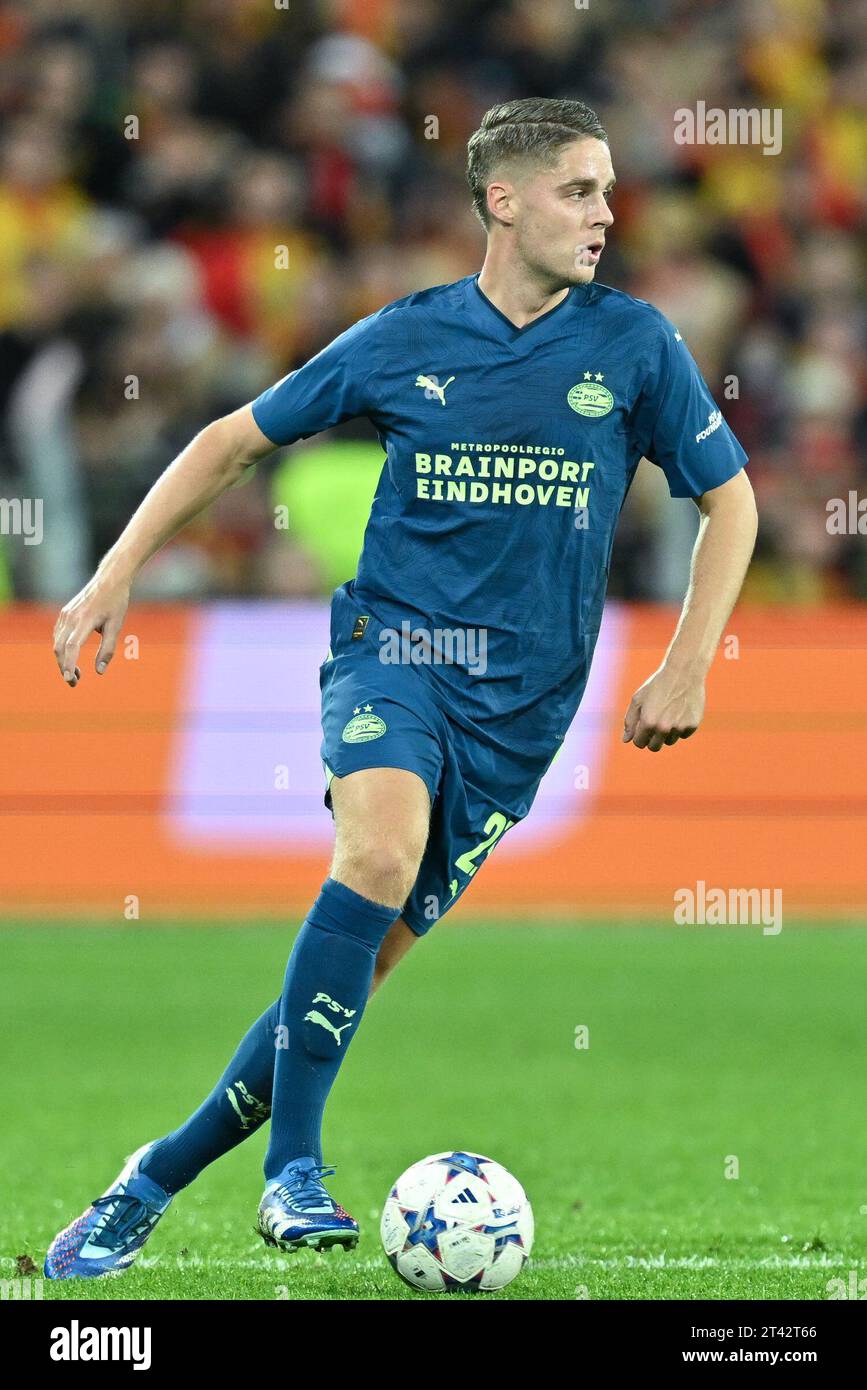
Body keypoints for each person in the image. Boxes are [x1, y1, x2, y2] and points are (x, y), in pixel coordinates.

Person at [45, 98, 757, 1278]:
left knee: (340, 983)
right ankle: (295, 1173)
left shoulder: (634, 345)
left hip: (520, 715)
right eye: (580, 190)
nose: (607, 213)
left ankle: (153, 1175)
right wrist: (115, 571)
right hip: (399, 655)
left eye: (609, 190)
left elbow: (729, 501)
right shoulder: (405, 338)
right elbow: (232, 440)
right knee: (372, 858)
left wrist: (688, 662)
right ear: (504, 200)